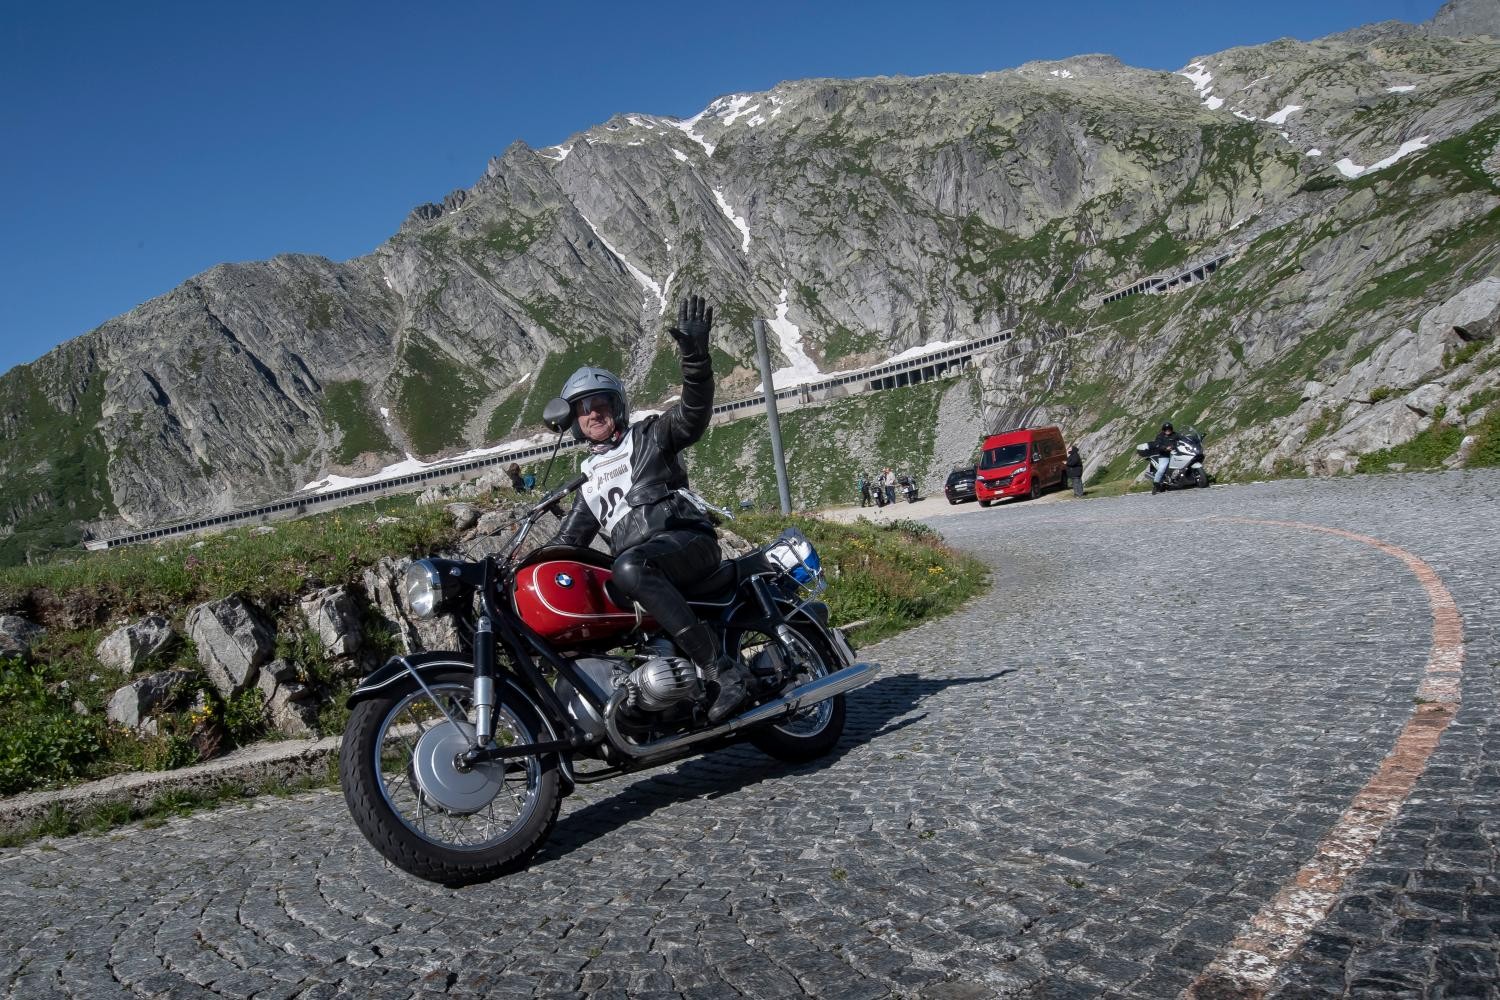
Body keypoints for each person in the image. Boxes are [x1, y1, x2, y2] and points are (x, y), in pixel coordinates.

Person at [548, 295, 749, 723]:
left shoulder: (651, 436)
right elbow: (565, 544)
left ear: (617, 405)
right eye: (583, 408)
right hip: (642, 569)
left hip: (685, 540)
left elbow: (693, 413)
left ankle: (721, 670)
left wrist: (695, 359)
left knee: (629, 566)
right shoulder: (589, 478)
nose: (593, 413)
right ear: (574, 422)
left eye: (600, 403)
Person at [1150, 422, 1180, 494]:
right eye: (1166, 429)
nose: (1168, 430)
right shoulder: (1160, 436)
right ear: (1163, 430)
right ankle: (1156, 485)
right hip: (1164, 455)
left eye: (1169, 429)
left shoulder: (1175, 435)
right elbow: (1158, 445)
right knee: (1162, 468)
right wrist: (1165, 448)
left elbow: (1183, 439)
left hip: (1176, 453)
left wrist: (1193, 439)